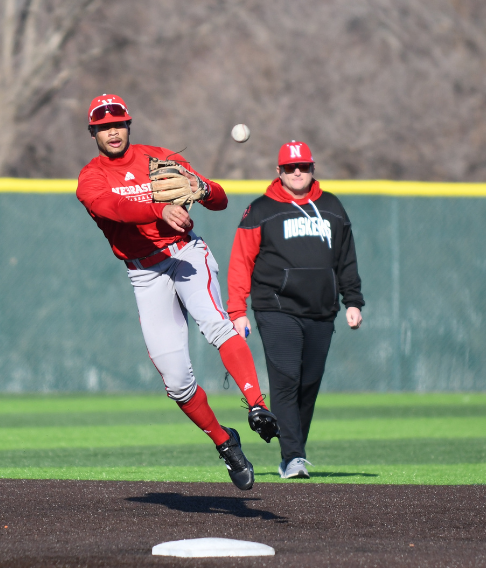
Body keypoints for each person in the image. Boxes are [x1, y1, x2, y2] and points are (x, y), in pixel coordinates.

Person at [75, 94, 279, 491]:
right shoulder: (91, 177)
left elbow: (219, 200)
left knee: (217, 326)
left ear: (129, 126)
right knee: (177, 381)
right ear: (93, 133)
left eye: (118, 123)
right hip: (144, 274)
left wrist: (200, 186)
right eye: (103, 127)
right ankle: (225, 442)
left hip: (186, 253)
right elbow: (112, 208)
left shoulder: (158, 157)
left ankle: (258, 405)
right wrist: (157, 208)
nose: (113, 131)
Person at [227, 140, 364, 479]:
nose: (297, 172)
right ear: (279, 172)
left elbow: (346, 259)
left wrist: (353, 301)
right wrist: (237, 310)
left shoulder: (332, 206)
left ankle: (293, 450)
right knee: (286, 379)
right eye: (290, 168)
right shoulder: (261, 209)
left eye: (303, 166)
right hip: (276, 308)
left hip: (321, 310)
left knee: (309, 384)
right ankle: (293, 457)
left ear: (312, 168)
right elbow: (240, 262)